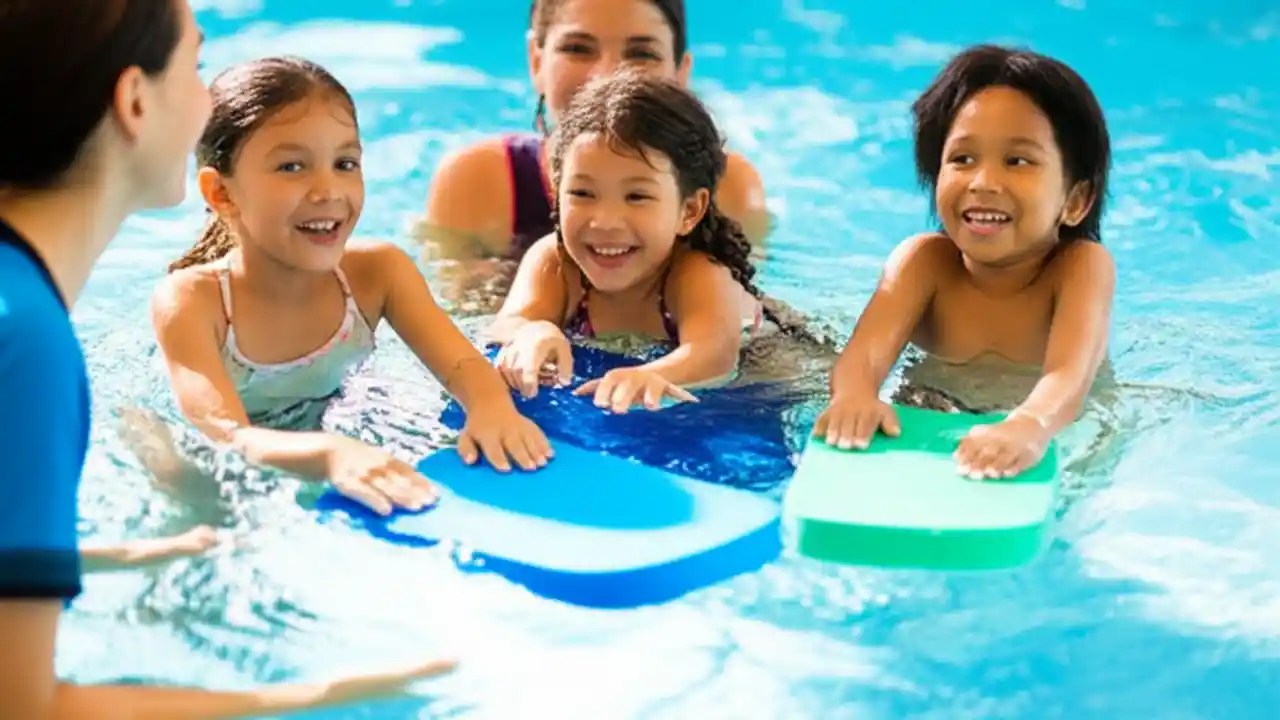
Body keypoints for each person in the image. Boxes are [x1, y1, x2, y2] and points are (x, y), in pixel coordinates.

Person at [0, 2, 454, 716]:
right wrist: (314, 696)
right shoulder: (26, 341)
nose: (211, 94)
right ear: (135, 100)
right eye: (197, 64)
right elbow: (23, 706)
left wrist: (107, 558)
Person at [152, 55, 554, 517]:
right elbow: (225, 435)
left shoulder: (377, 273)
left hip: (326, 423)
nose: (328, 190)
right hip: (207, 458)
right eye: (291, 167)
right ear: (221, 193)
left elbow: (461, 362)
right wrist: (330, 452)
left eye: (345, 163)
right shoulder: (192, 301)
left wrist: (489, 407)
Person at [815, 44, 1115, 480]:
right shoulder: (925, 263)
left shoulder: (1080, 268)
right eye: (962, 159)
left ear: (1075, 200)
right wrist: (854, 396)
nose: (983, 182)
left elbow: (1068, 379)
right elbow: (862, 358)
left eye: (1018, 160)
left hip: (1056, 426)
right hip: (931, 406)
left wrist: (1029, 425)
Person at [490, 70, 768, 413]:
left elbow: (713, 355)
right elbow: (508, 321)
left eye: (636, 196)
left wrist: (652, 374)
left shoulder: (695, 273)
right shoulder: (556, 262)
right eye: (582, 193)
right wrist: (533, 331)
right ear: (557, 193)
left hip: (759, 372)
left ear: (690, 210)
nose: (605, 221)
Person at [423, 0, 769, 264]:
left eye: (641, 53)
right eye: (577, 49)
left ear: (681, 74)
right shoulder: (479, 184)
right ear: (537, 62)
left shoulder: (729, 189)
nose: (607, 76)